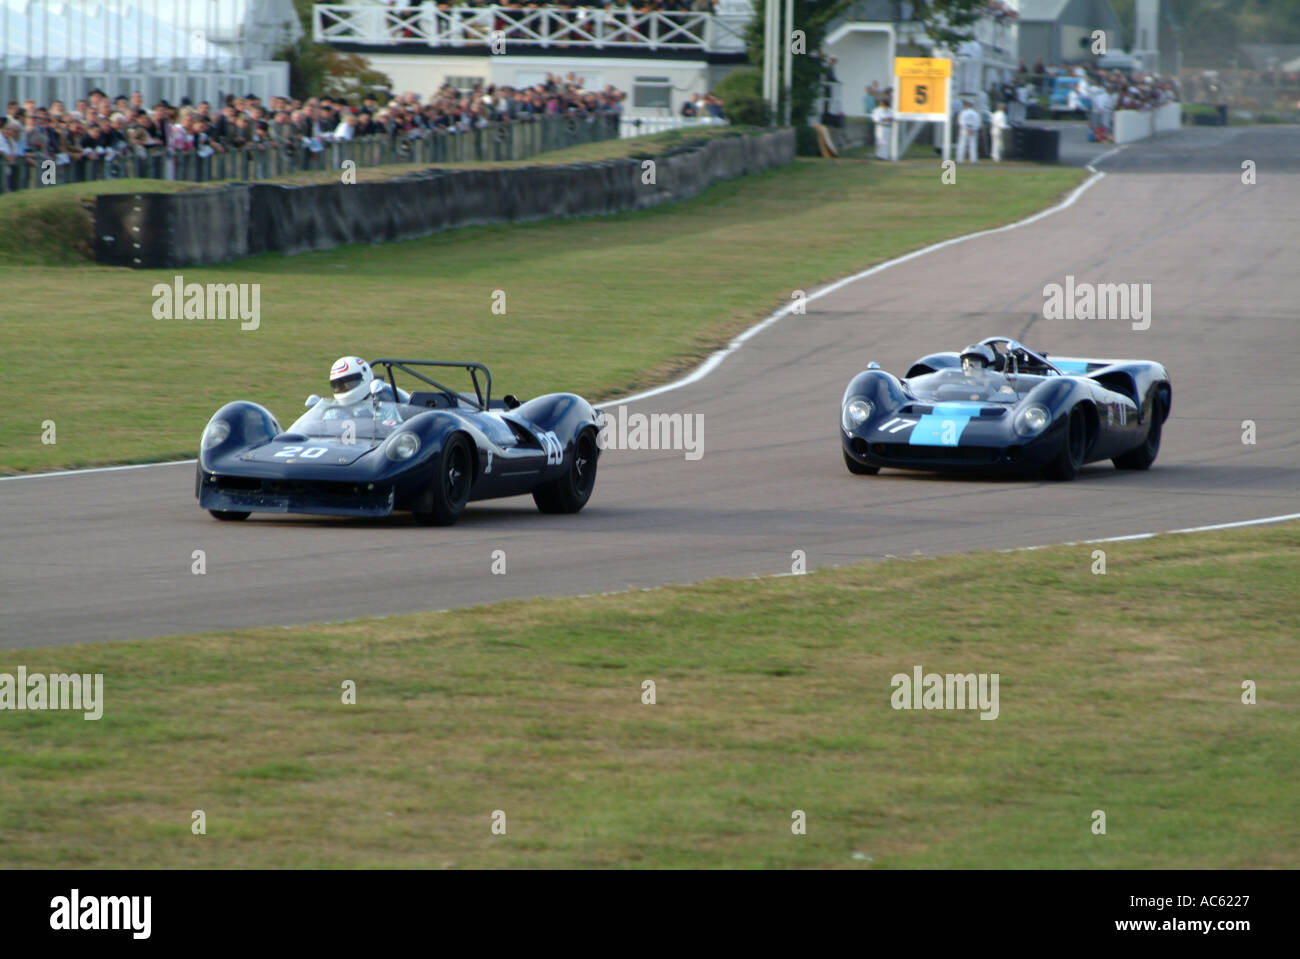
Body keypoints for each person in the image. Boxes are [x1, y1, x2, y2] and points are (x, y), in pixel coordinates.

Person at [956, 99, 981, 163]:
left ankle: (960, 159)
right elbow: (978, 123)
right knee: (973, 145)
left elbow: (961, 122)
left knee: (962, 144)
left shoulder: (963, 113)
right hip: (973, 131)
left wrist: (967, 128)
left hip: (964, 130)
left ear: (967, 105)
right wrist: (972, 129)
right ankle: (973, 159)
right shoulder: (975, 114)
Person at [870, 92, 893, 160]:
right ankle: (878, 155)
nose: (884, 106)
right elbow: (875, 119)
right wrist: (883, 119)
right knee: (880, 141)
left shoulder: (890, 110)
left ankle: (884, 156)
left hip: (888, 127)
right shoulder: (877, 110)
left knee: (886, 142)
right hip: (880, 127)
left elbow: (893, 117)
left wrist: (889, 119)